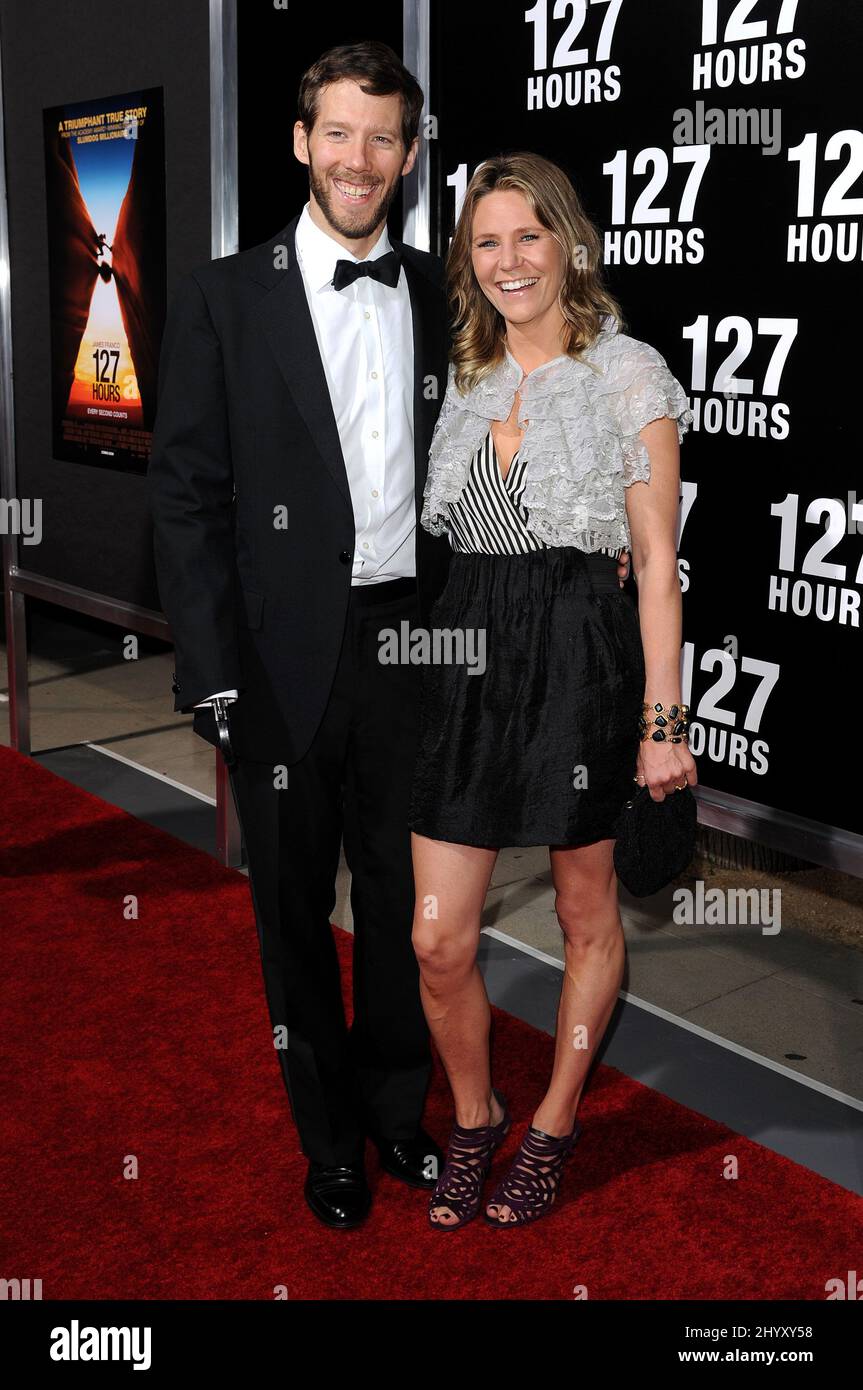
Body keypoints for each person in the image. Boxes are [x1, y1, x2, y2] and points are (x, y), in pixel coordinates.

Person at [147, 41, 459, 1230]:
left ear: (410, 154)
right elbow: (182, 495)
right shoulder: (228, 295)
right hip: (277, 666)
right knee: (291, 909)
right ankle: (326, 1140)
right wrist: (210, 669)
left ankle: (394, 1110)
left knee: (401, 905)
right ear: (299, 142)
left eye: (383, 137)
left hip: (412, 654)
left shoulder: (441, 293)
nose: (359, 159)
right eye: (338, 132)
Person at [407, 151, 698, 1231]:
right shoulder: (468, 378)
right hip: (466, 658)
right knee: (437, 936)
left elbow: (655, 566)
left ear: (569, 244)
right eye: (486, 241)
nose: (507, 259)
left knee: (586, 914)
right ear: (466, 259)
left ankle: (553, 1123)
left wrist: (662, 723)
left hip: (583, 654)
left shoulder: (628, 374)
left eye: (527, 235)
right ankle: (476, 1114)